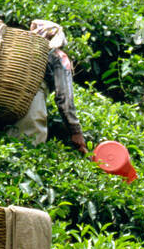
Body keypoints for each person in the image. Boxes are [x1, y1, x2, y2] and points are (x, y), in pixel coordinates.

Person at [11, 20, 89, 156]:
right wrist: (76, 131)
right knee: (27, 147)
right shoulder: (58, 56)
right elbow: (64, 97)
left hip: (6, 93)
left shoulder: (18, 48)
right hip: (32, 96)